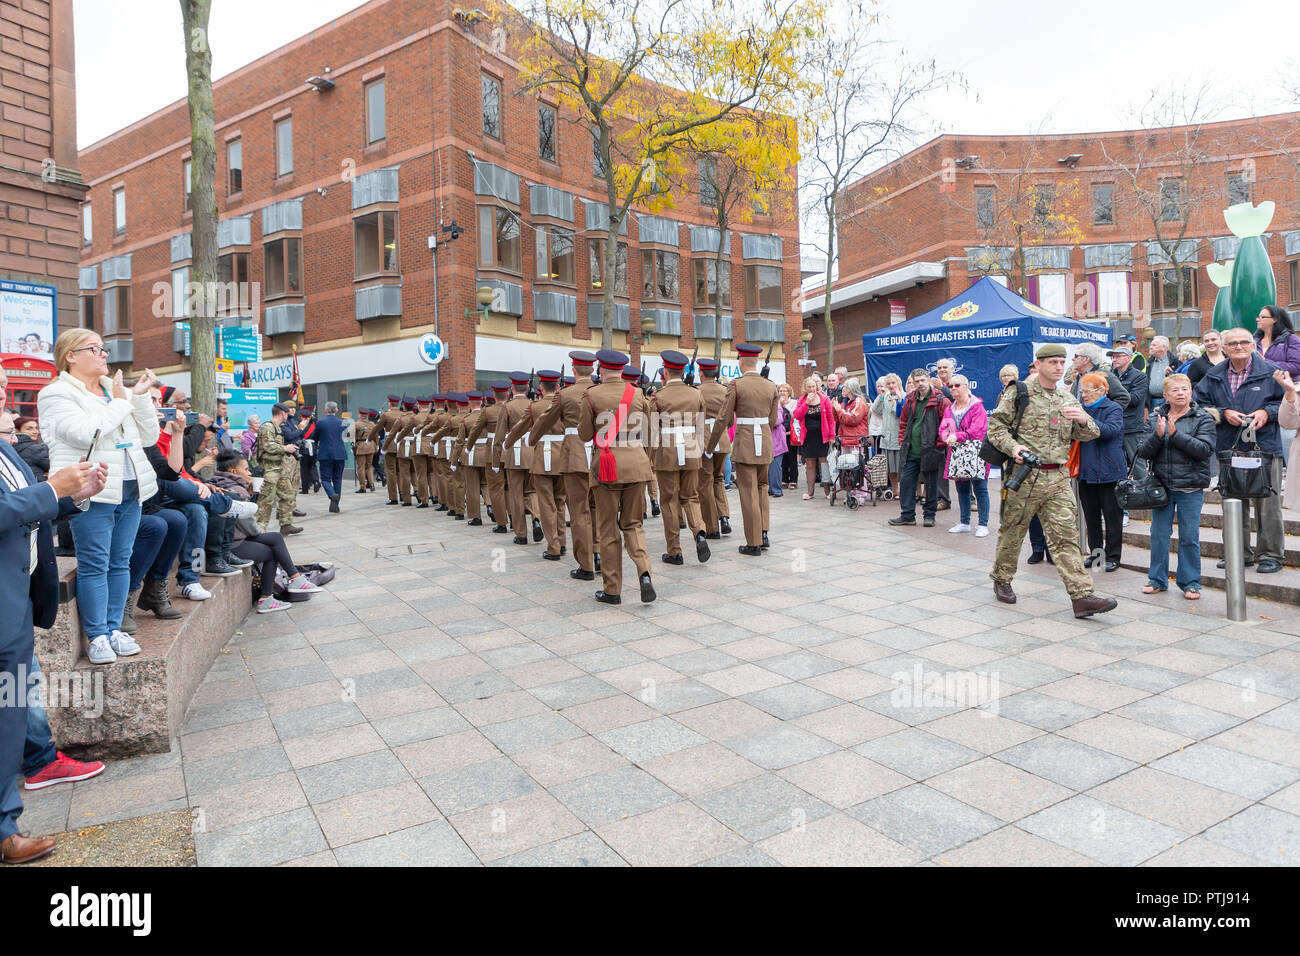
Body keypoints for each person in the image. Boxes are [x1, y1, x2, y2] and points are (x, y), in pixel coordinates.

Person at [0, 435, 106, 863]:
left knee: (10, 718)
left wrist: (72, 496)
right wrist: (51, 489)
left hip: (14, 605)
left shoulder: (5, 447)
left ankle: (5, 828)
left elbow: (23, 505)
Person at [38, 330, 160, 665]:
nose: (104, 354)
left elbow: (149, 435)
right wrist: (122, 401)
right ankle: (97, 636)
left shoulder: (113, 390)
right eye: (94, 349)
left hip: (130, 484)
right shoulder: (56, 393)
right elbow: (85, 431)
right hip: (92, 487)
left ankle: (114, 627)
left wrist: (139, 397)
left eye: (104, 348)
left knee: (121, 561)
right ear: (70, 356)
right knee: (95, 563)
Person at [987, 343, 1117, 618]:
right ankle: (1002, 578)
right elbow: (995, 428)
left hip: (1058, 476)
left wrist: (1083, 419)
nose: (1059, 367)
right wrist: (1014, 448)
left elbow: (1091, 433)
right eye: (1053, 362)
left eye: (1062, 362)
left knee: (1067, 537)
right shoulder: (1019, 392)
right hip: (1024, 476)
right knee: (1013, 531)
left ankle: (1082, 597)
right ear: (1040, 363)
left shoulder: (1067, 398)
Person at [1194, 327, 1285, 573]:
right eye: (1232, 343)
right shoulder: (1213, 375)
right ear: (1224, 348)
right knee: (1233, 501)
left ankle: (1271, 555)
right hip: (1229, 447)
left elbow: (1286, 402)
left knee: (1268, 504)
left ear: (1252, 345)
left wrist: (1267, 412)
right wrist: (1223, 413)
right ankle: (1238, 552)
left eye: (1244, 342)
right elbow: (1199, 403)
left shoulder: (1270, 372)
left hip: (1264, 447)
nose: (1238, 346)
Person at [579, 351, 656, 602]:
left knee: (608, 528)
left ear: (600, 370)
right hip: (636, 464)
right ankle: (644, 572)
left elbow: (583, 434)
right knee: (633, 524)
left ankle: (612, 591)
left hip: (607, 465)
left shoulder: (591, 394)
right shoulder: (638, 394)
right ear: (622, 371)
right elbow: (651, 434)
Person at [210, 450, 321, 613]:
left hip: (231, 541)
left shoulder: (220, 484)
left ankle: (293, 580)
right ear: (233, 472)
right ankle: (270, 596)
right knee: (271, 551)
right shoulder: (235, 491)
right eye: (246, 469)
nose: (249, 472)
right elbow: (247, 525)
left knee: (275, 538)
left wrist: (250, 494)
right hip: (230, 547)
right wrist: (258, 529)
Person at [1138, 373, 1216, 599]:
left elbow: (1204, 450)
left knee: (1189, 537)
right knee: (1159, 535)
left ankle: (1190, 582)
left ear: (1191, 392)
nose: (1181, 393)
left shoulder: (1203, 417)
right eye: (1176, 390)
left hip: (1190, 488)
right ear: (1166, 395)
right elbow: (1143, 451)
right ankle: (1157, 579)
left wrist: (1175, 435)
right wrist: (1158, 435)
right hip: (1162, 487)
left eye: (1185, 389)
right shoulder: (1155, 418)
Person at [705, 343, 779, 555]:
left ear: (741, 362)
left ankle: (753, 542)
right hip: (764, 442)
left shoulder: (736, 385)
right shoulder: (770, 386)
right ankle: (764, 533)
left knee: (748, 493)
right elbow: (773, 420)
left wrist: (711, 446)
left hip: (746, 443)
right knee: (762, 488)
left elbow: (723, 418)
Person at [648, 350, 710, 563]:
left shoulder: (658, 396)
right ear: (683, 371)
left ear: (665, 371)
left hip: (667, 451)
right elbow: (701, 426)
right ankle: (699, 532)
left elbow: (652, 432)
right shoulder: (696, 394)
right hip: (691, 448)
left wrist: (650, 458)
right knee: (691, 496)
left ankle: (675, 551)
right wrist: (699, 449)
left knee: (669, 501)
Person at [1076, 372, 1126, 572]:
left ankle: (1113, 556)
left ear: (1101, 390)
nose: (1084, 395)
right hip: (1087, 471)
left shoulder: (1114, 408)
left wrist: (1084, 420)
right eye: (1082, 391)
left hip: (1110, 471)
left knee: (1113, 517)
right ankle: (1097, 554)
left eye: (1087, 391)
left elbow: (1109, 431)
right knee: (1091, 517)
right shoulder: (1080, 409)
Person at [889, 368, 950, 528]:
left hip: (931, 450)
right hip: (911, 449)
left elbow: (947, 425)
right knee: (907, 482)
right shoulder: (910, 399)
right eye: (917, 381)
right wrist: (902, 440)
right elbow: (903, 422)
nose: (920, 384)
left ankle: (929, 516)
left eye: (923, 380)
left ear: (929, 379)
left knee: (931, 485)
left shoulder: (940, 400)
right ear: (913, 383)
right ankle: (907, 515)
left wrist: (939, 444)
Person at [938, 374, 990, 536]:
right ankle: (964, 522)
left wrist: (958, 436)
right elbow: (943, 428)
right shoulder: (949, 409)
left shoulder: (976, 406)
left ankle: (983, 524)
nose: (953, 389)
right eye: (951, 386)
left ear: (967, 387)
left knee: (980, 488)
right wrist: (946, 437)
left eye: (957, 385)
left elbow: (977, 430)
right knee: (962, 488)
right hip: (957, 452)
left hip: (976, 452)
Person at [696, 358, 733, 538]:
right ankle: (724, 516)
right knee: (718, 479)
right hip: (723, 439)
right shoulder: (725, 390)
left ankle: (712, 527)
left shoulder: (697, 391)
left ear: (701, 373)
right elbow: (730, 420)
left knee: (705, 483)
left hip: (704, 439)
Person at [253, 403, 302, 535]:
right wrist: (285, 448)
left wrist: (288, 449)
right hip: (269, 469)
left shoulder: (278, 428)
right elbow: (268, 446)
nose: (288, 416)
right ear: (282, 413)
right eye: (287, 413)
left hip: (280, 468)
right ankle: (259, 527)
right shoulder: (267, 427)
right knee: (266, 499)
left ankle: (286, 524)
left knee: (288, 494)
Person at [1106, 346, 1148, 466]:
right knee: (1114, 462)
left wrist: (1113, 396)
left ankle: (1141, 485)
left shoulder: (1139, 376)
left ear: (1128, 358)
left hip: (1131, 426)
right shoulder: (1109, 376)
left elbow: (1135, 399)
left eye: (1118, 356)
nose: (1114, 359)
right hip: (1113, 424)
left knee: (1137, 463)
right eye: (1113, 357)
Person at [829, 379, 870, 503]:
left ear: (851, 389)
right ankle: (851, 492)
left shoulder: (859, 402)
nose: (843, 390)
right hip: (845, 439)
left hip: (855, 439)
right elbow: (839, 419)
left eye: (845, 388)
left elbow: (852, 419)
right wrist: (835, 408)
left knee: (858, 467)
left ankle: (861, 495)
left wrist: (839, 410)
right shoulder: (845, 402)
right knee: (847, 468)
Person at [793, 376, 834, 499]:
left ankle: (827, 492)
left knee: (824, 464)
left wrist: (832, 435)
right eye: (809, 387)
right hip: (808, 437)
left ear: (817, 387)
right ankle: (810, 492)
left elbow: (831, 419)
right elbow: (797, 416)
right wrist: (806, 404)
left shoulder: (824, 399)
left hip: (822, 437)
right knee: (810, 465)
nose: (811, 389)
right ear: (805, 388)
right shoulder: (802, 400)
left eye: (813, 386)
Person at [871, 374, 904, 498]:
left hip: (898, 438)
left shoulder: (904, 396)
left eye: (893, 383)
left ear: (898, 383)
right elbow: (876, 410)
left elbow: (899, 414)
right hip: (887, 439)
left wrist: (898, 402)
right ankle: (895, 489)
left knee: (901, 467)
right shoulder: (885, 397)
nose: (890, 386)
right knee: (890, 468)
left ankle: (903, 489)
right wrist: (880, 396)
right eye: (888, 384)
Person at [313, 401, 348, 513]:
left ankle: (332, 495)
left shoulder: (320, 422)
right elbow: (346, 436)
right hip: (340, 454)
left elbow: (315, 437)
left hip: (325, 454)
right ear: (336, 410)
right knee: (337, 479)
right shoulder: (343, 422)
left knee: (325, 479)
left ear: (325, 410)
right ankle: (335, 505)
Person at [1255, 305, 1300, 377]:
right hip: (1257, 386)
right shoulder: (1253, 341)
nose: (1257, 319)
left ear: (1275, 319)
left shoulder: (1291, 339)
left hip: (1283, 386)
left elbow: (1297, 367)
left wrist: (1265, 362)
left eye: (1262, 317)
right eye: (1258, 317)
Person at [352, 408, 377, 492]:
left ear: (360, 415)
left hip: (361, 447)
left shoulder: (356, 424)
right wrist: (376, 446)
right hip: (370, 446)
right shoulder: (372, 424)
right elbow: (376, 437)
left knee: (361, 467)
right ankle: (372, 484)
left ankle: (363, 486)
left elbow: (352, 437)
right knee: (369, 466)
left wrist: (354, 446)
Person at [1147, 335, 1171, 409]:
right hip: (1152, 401)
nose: (1150, 347)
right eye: (1151, 345)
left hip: (1168, 401)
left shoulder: (1174, 361)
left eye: (1154, 345)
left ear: (1163, 347)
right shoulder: (1149, 362)